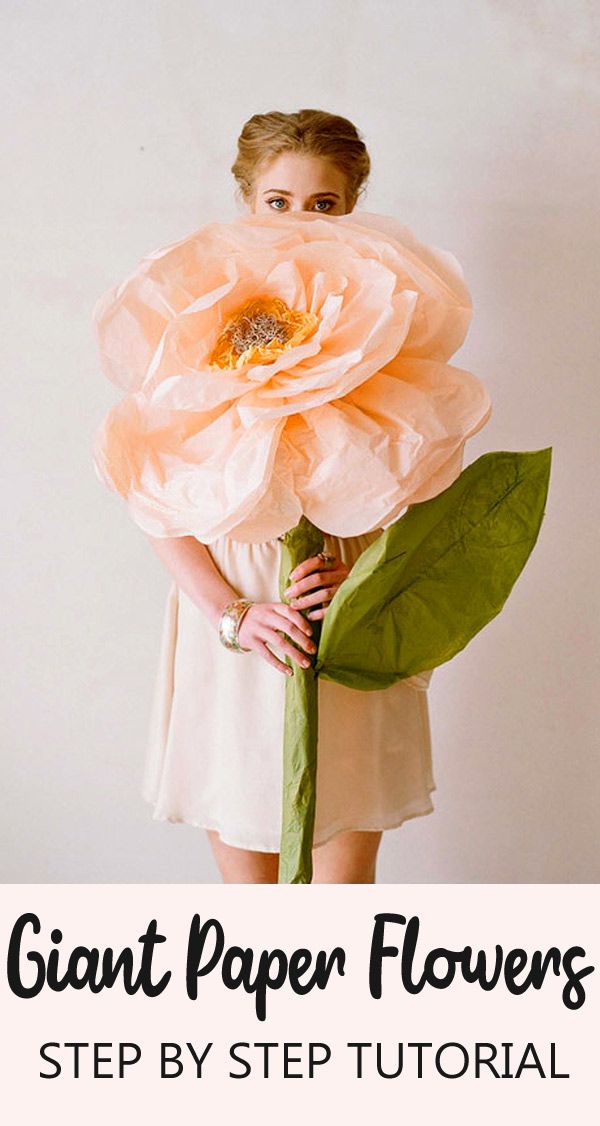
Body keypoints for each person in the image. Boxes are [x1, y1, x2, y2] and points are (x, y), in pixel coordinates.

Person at [140, 109, 437, 884]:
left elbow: (412, 479)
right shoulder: (200, 315)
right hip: (236, 608)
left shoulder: (387, 320)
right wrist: (231, 613)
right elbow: (151, 488)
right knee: (254, 903)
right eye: (278, 202)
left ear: (353, 206)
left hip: (339, 605)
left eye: (323, 204)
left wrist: (364, 576)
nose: (299, 222)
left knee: (339, 897)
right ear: (247, 201)